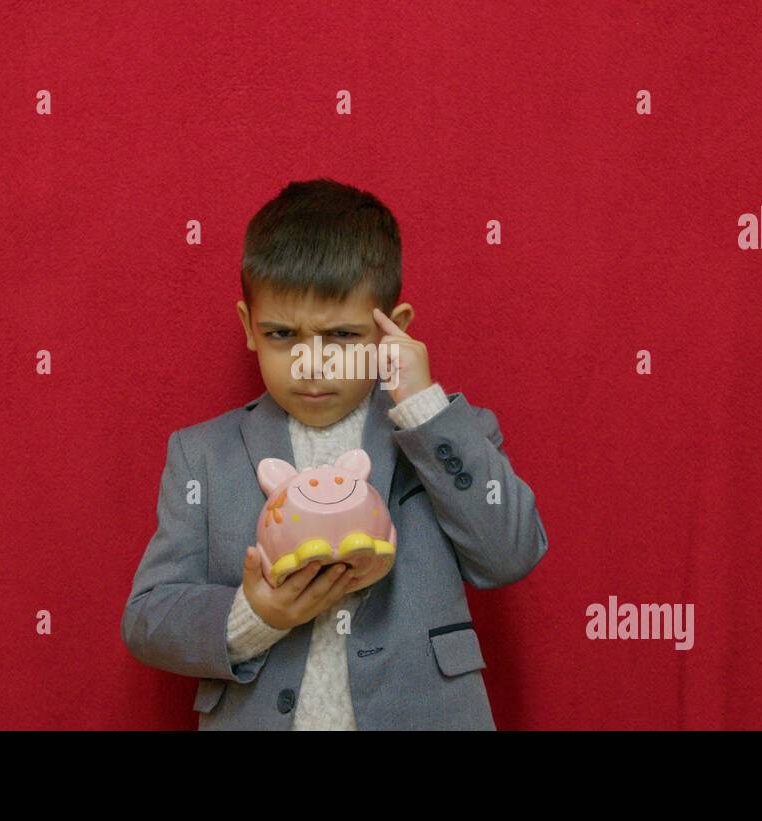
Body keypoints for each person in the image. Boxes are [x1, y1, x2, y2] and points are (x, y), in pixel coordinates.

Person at [120, 178, 548, 729]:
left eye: (342, 336)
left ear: (394, 332)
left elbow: (511, 554)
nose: (310, 363)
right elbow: (148, 619)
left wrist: (420, 407)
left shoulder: (444, 431)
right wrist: (253, 617)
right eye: (282, 334)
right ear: (250, 328)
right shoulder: (202, 454)